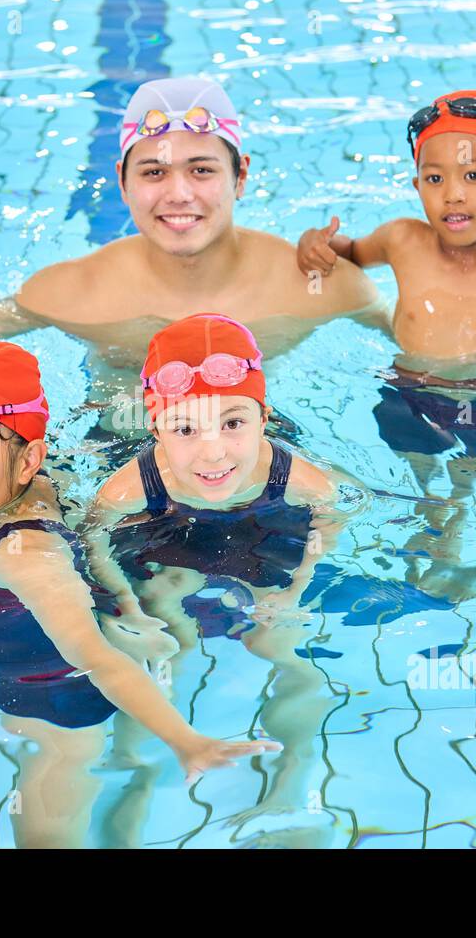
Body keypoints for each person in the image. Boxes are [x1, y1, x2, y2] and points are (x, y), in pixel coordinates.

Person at [0, 76, 386, 451]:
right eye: (154, 172)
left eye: (202, 170)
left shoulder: (319, 285)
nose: (178, 194)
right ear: (122, 182)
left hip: (263, 446)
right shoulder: (75, 291)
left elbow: (417, 356)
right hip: (118, 444)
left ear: (241, 176)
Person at [0, 339, 280, 845]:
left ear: (28, 461)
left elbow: (98, 661)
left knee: (45, 833)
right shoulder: (31, 479)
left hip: (56, 703)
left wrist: (187, 742)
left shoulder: (25, 557)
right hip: (90, 642)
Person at [296, 89, 476, 598]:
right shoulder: (402, 239)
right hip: (407, 387)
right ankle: (433, 510)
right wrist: (314, 244)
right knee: (417, 461)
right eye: (435, 179)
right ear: (417, 186)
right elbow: (349, 253)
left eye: (473, 176)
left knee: (471, 468)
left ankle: (459, 511)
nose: (452, 194)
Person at [83, 314, 344, 827]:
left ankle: (292, 779)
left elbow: (329, 520)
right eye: (185, 428)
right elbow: (92, 543)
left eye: (233, 423)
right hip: (168, 523)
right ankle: (133, 767)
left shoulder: (300, 479)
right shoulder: (127, 489)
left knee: (280, 643)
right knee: (158, 634)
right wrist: (127, 607)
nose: (213, 451)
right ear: (155, 428)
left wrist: (294, 593)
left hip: (265, 519)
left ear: (264, 418)